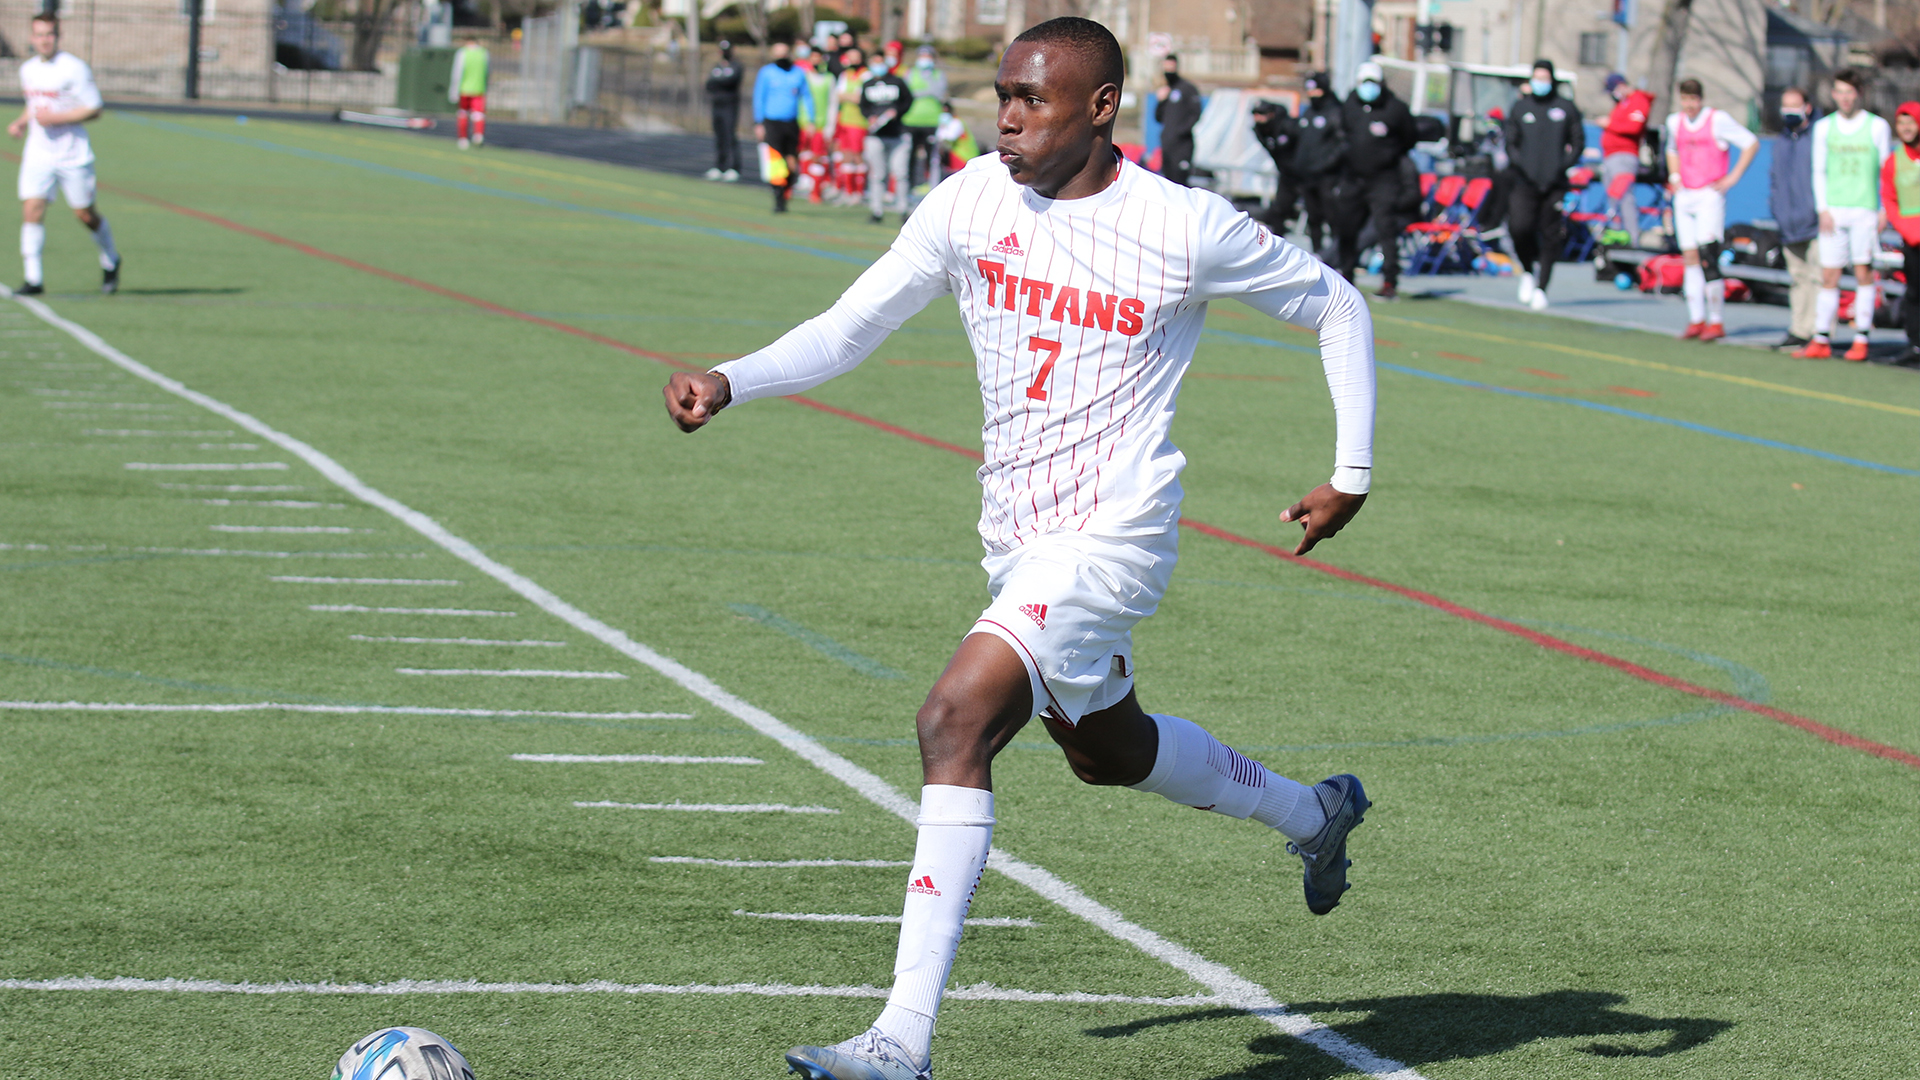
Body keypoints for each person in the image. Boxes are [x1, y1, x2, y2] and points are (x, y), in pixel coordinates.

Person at [662, 17, 1376, 1080]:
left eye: (1033, 99)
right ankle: (1312, 813)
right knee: (1106, 754)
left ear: (1100, 108)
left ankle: (900, 1039)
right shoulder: (970, 198)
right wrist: (734, 376)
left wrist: (1349, 474)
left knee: (954, 718)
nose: (1006, 115)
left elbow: (1338, 307)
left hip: (1114, 536)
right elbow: (854, 324)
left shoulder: (1183, 228)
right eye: (1001, 93)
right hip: (1018, 535)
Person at [8, 13, 119, 296]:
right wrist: (22, 121)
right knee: (32, 209)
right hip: (38, 153)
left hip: (73, 154)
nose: (44, 40)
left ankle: (111, 259)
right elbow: (35, 105)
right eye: (39, 35)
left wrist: (56, 118)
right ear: (31, 38)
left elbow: (94, 108)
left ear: (58, 37)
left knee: (84, 214)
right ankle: (33, 279)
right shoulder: (28, 69)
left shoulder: (74, 68)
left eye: (49, 35)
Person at [1797, 69, 1891, 361]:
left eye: (1850, 92)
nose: (1845, 98)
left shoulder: (1877, 127)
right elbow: (1819, 170)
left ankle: (1861, 337)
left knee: (1863, 272)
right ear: (1834, 94)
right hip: (1834, 212)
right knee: (1829, 275)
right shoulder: (1825, 127)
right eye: (1840, 91)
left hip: (1864, 211)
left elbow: (1887, 171)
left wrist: (1884, 208)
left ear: (1859, 94)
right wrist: (1823, 209)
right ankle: (1821, 337)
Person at [1663, 78, 1758, 342]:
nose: (1689, 105)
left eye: (1694, 99)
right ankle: (1696, 318)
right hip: (1685, 195)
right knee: (1690, 256)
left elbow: (1750, 143)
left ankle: (1716, 320)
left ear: (1701, 99)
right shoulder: (1674, 122)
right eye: (1685, 99)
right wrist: (1674, 177)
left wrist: (1732, 177)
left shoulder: (1717, 120)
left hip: (1709, 194)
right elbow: (1672, 149)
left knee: (1708, 254)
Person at [1502, 60, 1584, 311]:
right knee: (1519, 227)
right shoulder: (1520, 107)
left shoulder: (1565, 108)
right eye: (1536, 77)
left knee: (1550, 236)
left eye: (1545, 78)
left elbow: (1578, 141)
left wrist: (1562, 165)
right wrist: (1521, 165)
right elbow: (1511, 143)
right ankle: (1527, 269)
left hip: (1554, 184)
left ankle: (1541, 287)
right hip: (1525, 182)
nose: (1540, 83)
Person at [1334, 61, 1415, 298]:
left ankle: (1390, 281)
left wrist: (1388, 155)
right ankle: (1346, 274)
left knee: (1385, 229)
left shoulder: (1395, 108)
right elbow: (1344, 133)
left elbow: (1409, 137)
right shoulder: (1350, 105)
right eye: (1364, 82)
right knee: (1346, 227)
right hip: (1353, 176)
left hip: (1384, 178)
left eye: (1373, 82)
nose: (1368, 87)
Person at [1769, 87, 1821, 350]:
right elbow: (1775, 181)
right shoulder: (1781, 141)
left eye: (1795, 106)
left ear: (1807, 108)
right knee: (1797, 278)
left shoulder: (1818, 137)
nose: (1789, 112)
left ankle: (1819, 332)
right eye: (1785, 106)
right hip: (1789, 222)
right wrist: (1777, 210)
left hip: (1814, 222)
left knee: (1818, 278)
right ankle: (1799, 329)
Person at [1879, 101, 1920, 366]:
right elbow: (1890, 199)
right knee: (1915, 292)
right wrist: (1908, 230)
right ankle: (1915, 345)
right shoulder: (1895, 160)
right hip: (1912, 238)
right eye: (1901, 122)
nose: (1906, 128)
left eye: (1911, 122)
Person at [752, 41, 815, 213]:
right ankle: (778, 197)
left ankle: (787, 188)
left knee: (792, 161)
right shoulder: (766, 73)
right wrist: (758, 122)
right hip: (772, 122)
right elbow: (759, 97)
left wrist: (810, 120)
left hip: (791, 123)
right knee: (776, 160)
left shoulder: (798, 73)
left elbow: (807, 97)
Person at [1290, 72, 1347, 256]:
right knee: (1313, 217)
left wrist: (1327, 164)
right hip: (1307, 177)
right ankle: (1317, 254)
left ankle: (1336, 255)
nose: (1313, 94)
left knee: (1333, 217)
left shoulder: (1335, 111)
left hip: (1328, 177)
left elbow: (1342, 144)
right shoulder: (1309, 112)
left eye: (1316, 90)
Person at [858, 50, 914, 224]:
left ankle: (903, 209)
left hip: (897, 134)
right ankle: (876, 210)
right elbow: (863, 106)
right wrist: (870, 117)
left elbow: (908, 100)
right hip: (876, 136)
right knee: (877, 174)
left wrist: (896, 112)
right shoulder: (867, 84)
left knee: (900, 173)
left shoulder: (897, 81)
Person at [1600, 73, 1654, 247]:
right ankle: (1616, 234)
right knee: (1613, 197)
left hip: (1625, 156)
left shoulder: (1638, 100)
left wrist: (1609, 124)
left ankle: (1633, 239)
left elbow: (1634, 126)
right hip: (1610, 156)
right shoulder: (1621, 105)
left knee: (1624, 196)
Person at [902, 45, 948, 190]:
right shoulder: (910, 73)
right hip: (911, 120)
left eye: (928, 56)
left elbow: (939, 93)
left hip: (932, 121)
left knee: (932, 157)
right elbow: (906, 92)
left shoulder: (938, 74)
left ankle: (931, 186)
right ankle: (909, 185)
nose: (924, 60)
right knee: (910, 156)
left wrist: (921, 90)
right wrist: (926, 91)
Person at [829, 47, 872, 203]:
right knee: (845, 153)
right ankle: (847, 190)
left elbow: (861, 98)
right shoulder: (845, 74)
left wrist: (849, 96)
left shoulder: (866, 74)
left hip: (859, 121)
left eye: (856, 57)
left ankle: (859, 192)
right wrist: (849, 96)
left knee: (857, 155)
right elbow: (839, 96)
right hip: (845, 120)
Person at [1154, 53, 1202, 185]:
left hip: (1182, 147)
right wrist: (1160, 101)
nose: (1168, 71)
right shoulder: (1166, 91)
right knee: (1168, 184)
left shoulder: (1187, 89)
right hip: (1167, 146)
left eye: (1171, 67)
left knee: (1180, 183)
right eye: (1166, 68)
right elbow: (1158, 118)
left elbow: (1195, 114)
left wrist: (1180, 132)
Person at [704, 40, 745, 181]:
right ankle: (719, 166)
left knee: (730, 136)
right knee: (719, 136)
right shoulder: (717, 67)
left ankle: (734, 167)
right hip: (717, 105)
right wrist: (720, 81)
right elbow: (709, 84)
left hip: (730, 106)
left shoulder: (736, 66)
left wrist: (719, 81)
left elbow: (730, 81)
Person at [449, 34, 490, 151]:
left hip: (464, 89)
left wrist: (453, 91)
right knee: (478, 114)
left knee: (463, 113)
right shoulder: (484, 53)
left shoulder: (463, 53)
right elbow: (488, 72)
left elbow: (457, 73)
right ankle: (478, 135)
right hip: (479, 89)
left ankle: (463, 139)